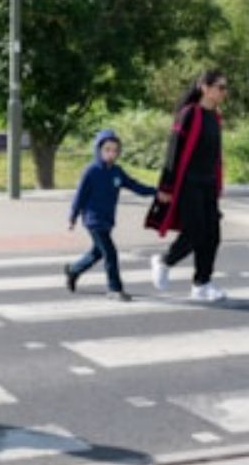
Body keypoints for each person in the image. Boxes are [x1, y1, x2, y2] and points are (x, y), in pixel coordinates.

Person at [150, 69, 229, 302]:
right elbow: (172, 153)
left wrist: (218, 183)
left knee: (213, 235)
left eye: (225, 88)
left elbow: (215, 155)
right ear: (204, 87)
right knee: (195, 232)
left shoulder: (215, 117)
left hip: (208, 184)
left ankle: (202, 284)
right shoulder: (189, 114)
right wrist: (166, 187)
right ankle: (164, 261)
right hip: (187, 183)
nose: (224, 92)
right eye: (220, 87)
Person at [64, 128, 156, 301]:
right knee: (110, 253)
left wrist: (156, 192)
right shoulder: (91, 171)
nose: (111, 153)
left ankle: (73, 270)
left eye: (115, 150)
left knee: (97, 253)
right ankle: (114, 289)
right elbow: (80, 196)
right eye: (107, 149)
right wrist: (72, 217)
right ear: (98, 150)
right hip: (93, 220)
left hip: (107, 219)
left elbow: (135, 186)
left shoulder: (117, 172)